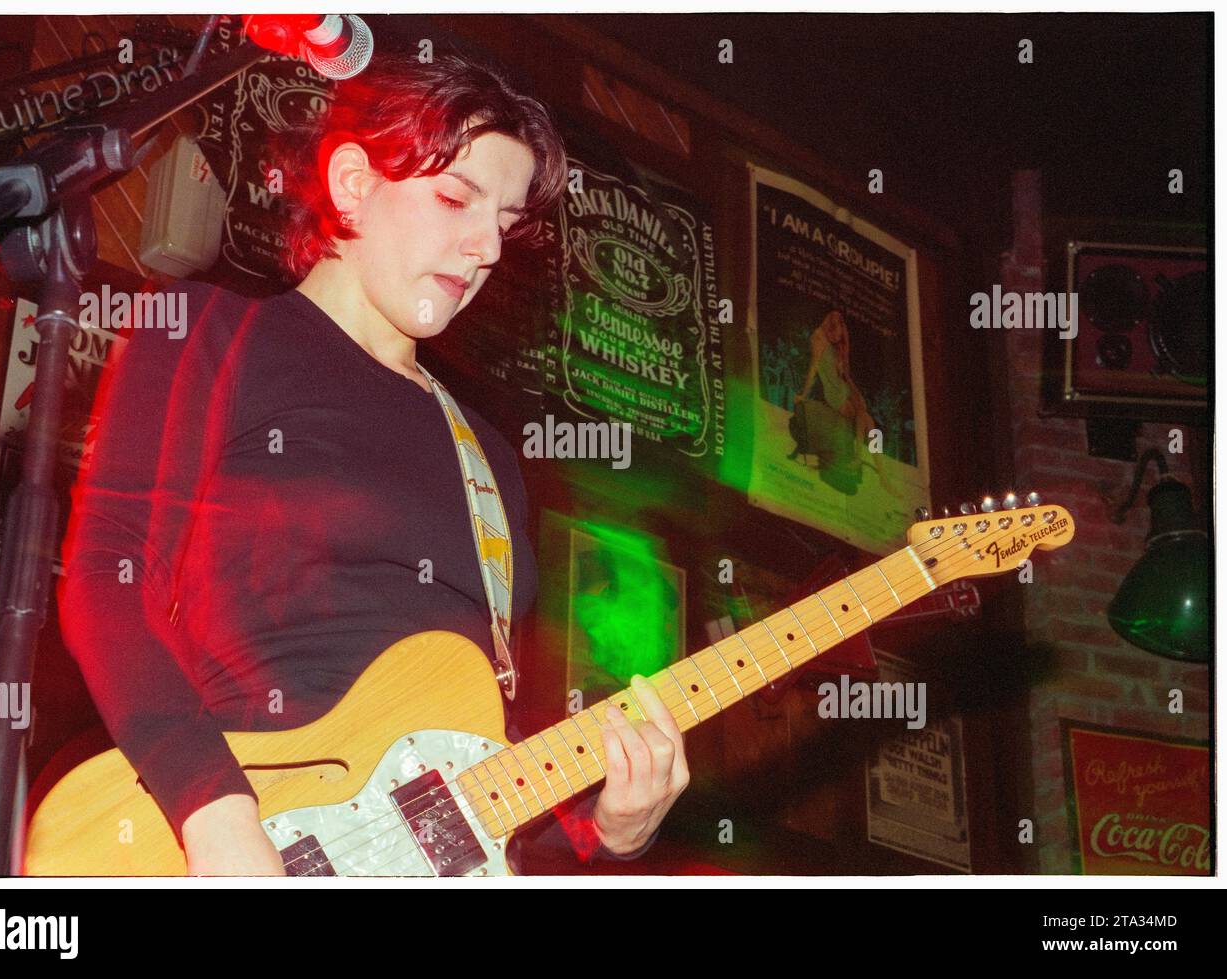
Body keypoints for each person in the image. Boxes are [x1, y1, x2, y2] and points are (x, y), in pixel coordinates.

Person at [57, 51, 688, 876]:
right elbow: (108, 577)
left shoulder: (491, 460)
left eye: (502, 222)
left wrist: (608, 829)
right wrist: (214, 812)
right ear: (352, 181)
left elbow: (475, 790)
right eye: (457, 198)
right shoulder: (208, 332)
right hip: (226, 826)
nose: (484, 247)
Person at [794, 309, 897, 494]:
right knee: (864, 418)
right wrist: (803, 394)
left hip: (843, 388)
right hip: (833, 394)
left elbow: (844, 377)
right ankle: (878, 472)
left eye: (839, 336)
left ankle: (875, 468)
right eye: (834, 335)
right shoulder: (818, 337)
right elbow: (813, 369)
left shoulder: (836, 346)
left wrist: (855, 391)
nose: (836, 339)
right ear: (829, 328)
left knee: (868, 420)